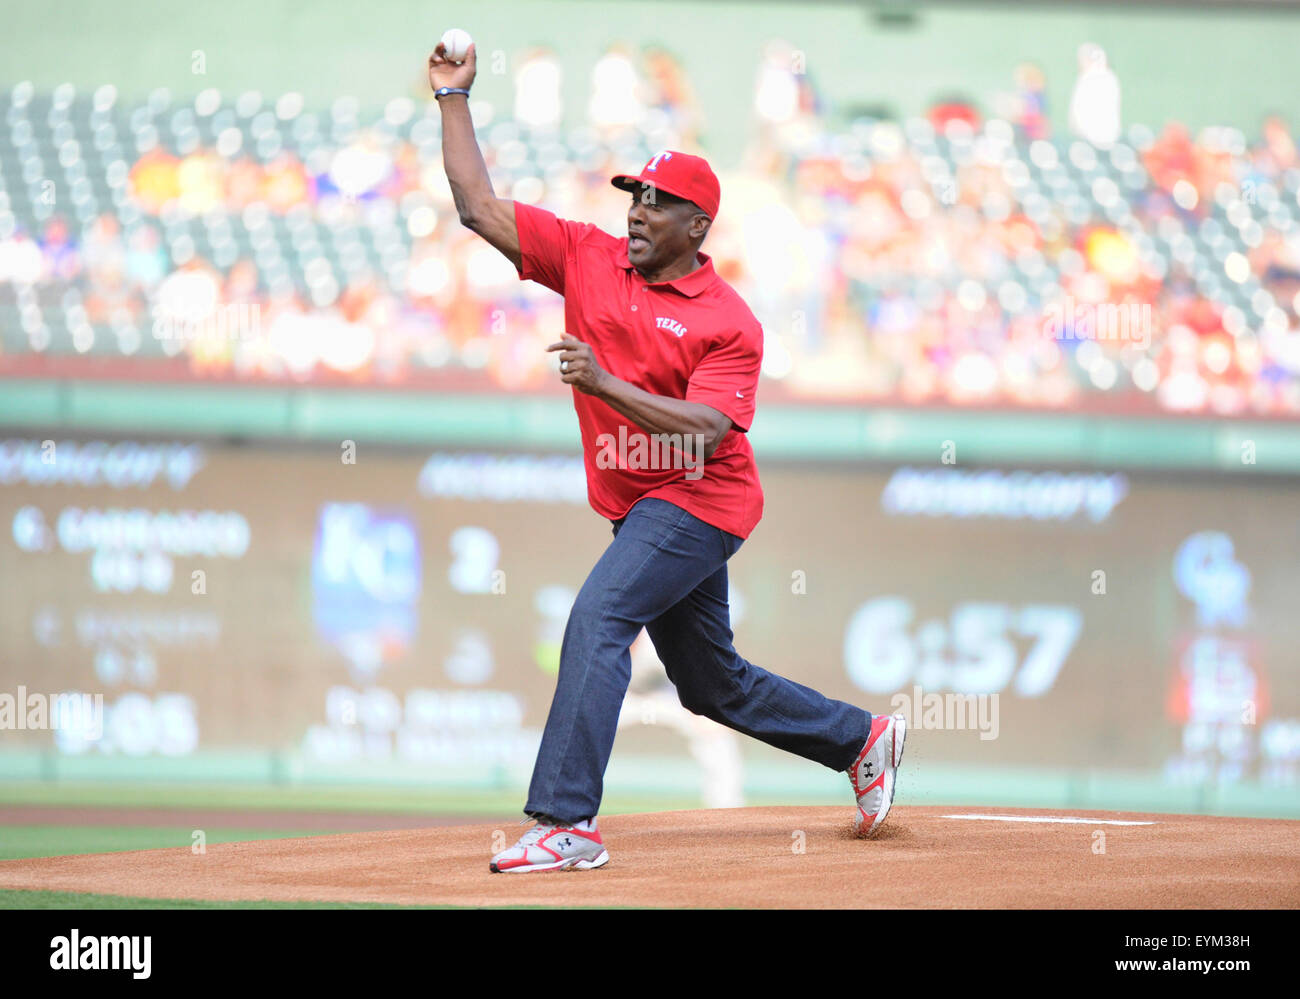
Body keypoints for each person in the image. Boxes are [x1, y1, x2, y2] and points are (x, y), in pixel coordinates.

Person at [428, 39, 907, 874]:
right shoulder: (586, 257)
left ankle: (566, 822)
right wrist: (453, 98)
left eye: (658, 201)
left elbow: (706, 432)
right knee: (709, 683)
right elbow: (477, 206)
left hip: (698, 500)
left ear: (699, 225)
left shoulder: (728, 319)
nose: (638, 211)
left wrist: (604, 383)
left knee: (599, 616)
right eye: (634, 195)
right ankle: (859, 739)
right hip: (637, 506)